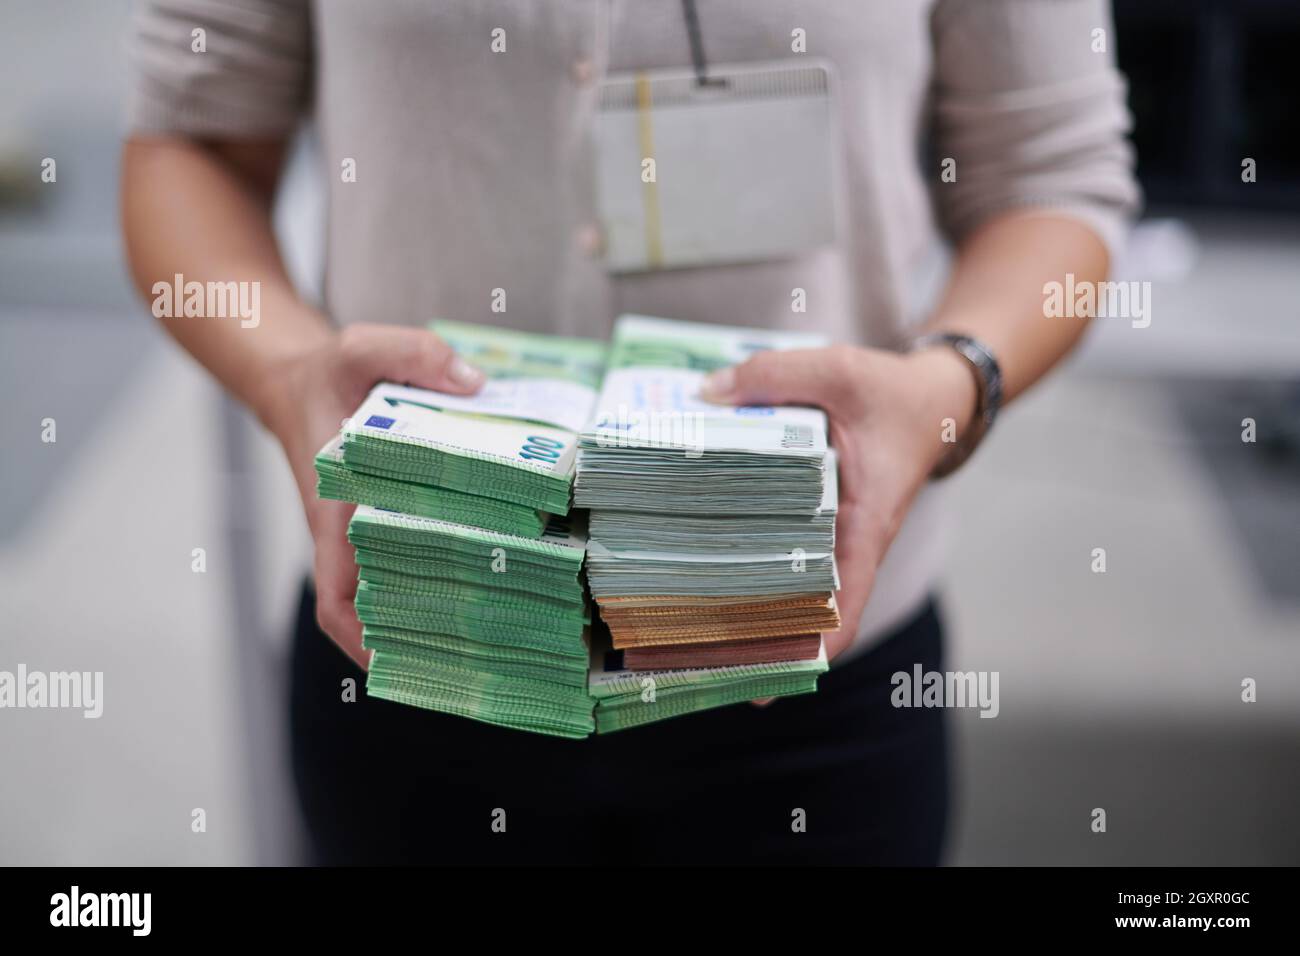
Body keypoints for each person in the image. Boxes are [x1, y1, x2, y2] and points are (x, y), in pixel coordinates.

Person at [121, 0, 1138, 865]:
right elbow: (191, 141)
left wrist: (951, 383)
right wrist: (287, 371)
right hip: (420, 627)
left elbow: (1052, 178)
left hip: (812, 665)